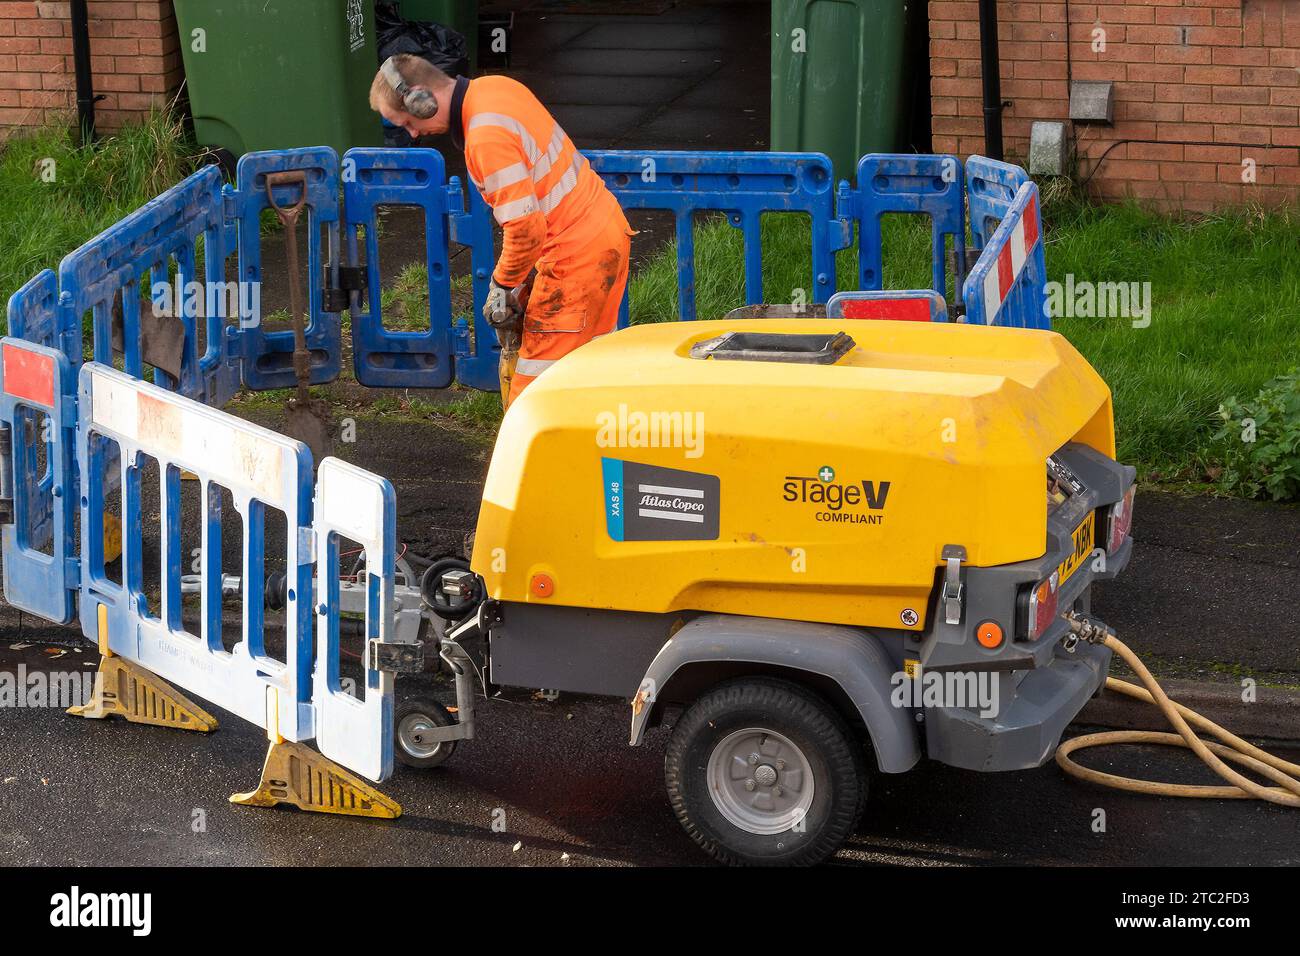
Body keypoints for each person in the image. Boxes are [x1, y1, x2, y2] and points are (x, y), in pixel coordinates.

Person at [369, 54, 632, 406]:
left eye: (406, 122)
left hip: (575, 259)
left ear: (421, 99)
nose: (413, 133)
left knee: (536, 396)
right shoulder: (495, 88)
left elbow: (526, 228)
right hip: (604, 234)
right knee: (589, 375)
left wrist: (503, 284)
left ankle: (529, 461)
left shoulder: (484, 137)